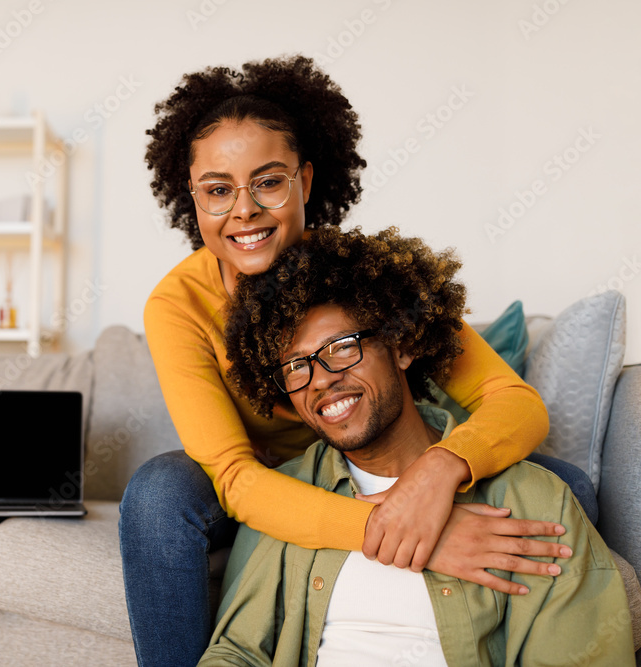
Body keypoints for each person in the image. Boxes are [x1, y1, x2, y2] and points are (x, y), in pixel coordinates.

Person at [119, 54, 595, 667]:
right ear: (193, 198)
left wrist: (434, 478)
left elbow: (515, 403)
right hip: (278, 478)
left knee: (571, 486)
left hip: (381, 455)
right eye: (218, 191)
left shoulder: (364, 277)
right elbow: (235, 480)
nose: (244, 211)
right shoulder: (176, 305)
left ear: (305, 182)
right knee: (159, 492)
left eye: (268, 181)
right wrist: (407, 531)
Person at [198, 226, 632, 665]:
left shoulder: (534, 502)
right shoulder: (283, 503)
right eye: (295, 367)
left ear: (401, 348)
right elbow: (237, 652)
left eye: (342, 347)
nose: (323, 379)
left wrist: (441, 471)